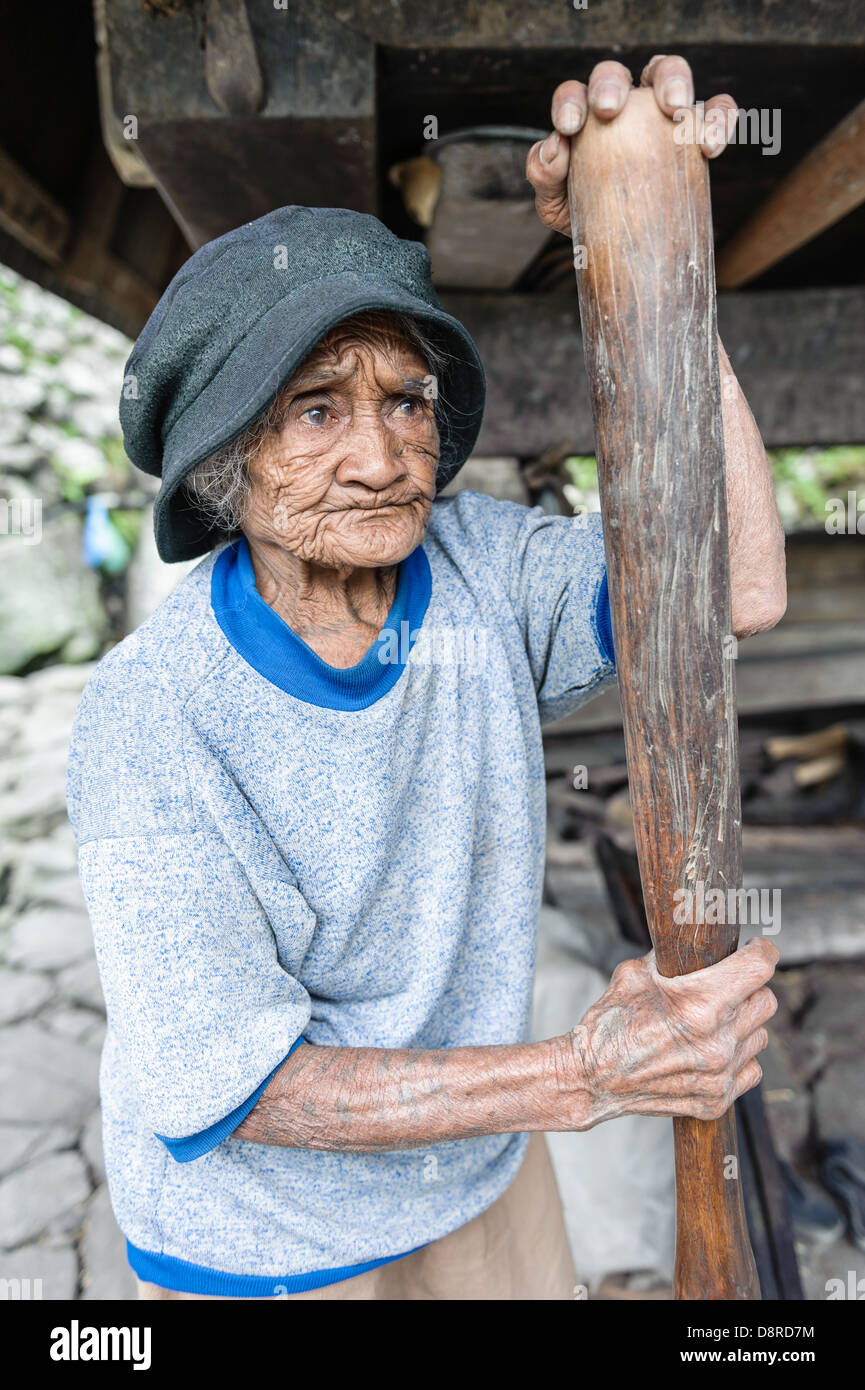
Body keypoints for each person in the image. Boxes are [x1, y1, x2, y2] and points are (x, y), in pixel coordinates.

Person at [66, 55, 784, 1300]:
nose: (384, 452)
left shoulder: (480, 566)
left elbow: (732, 587)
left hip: (481, 1175)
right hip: (268, 1244)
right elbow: (244, 1085)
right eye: (315, 410)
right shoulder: (151, 716)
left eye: (407, 399)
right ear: (228, 465)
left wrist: (659, 272)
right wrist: (592, 1073)